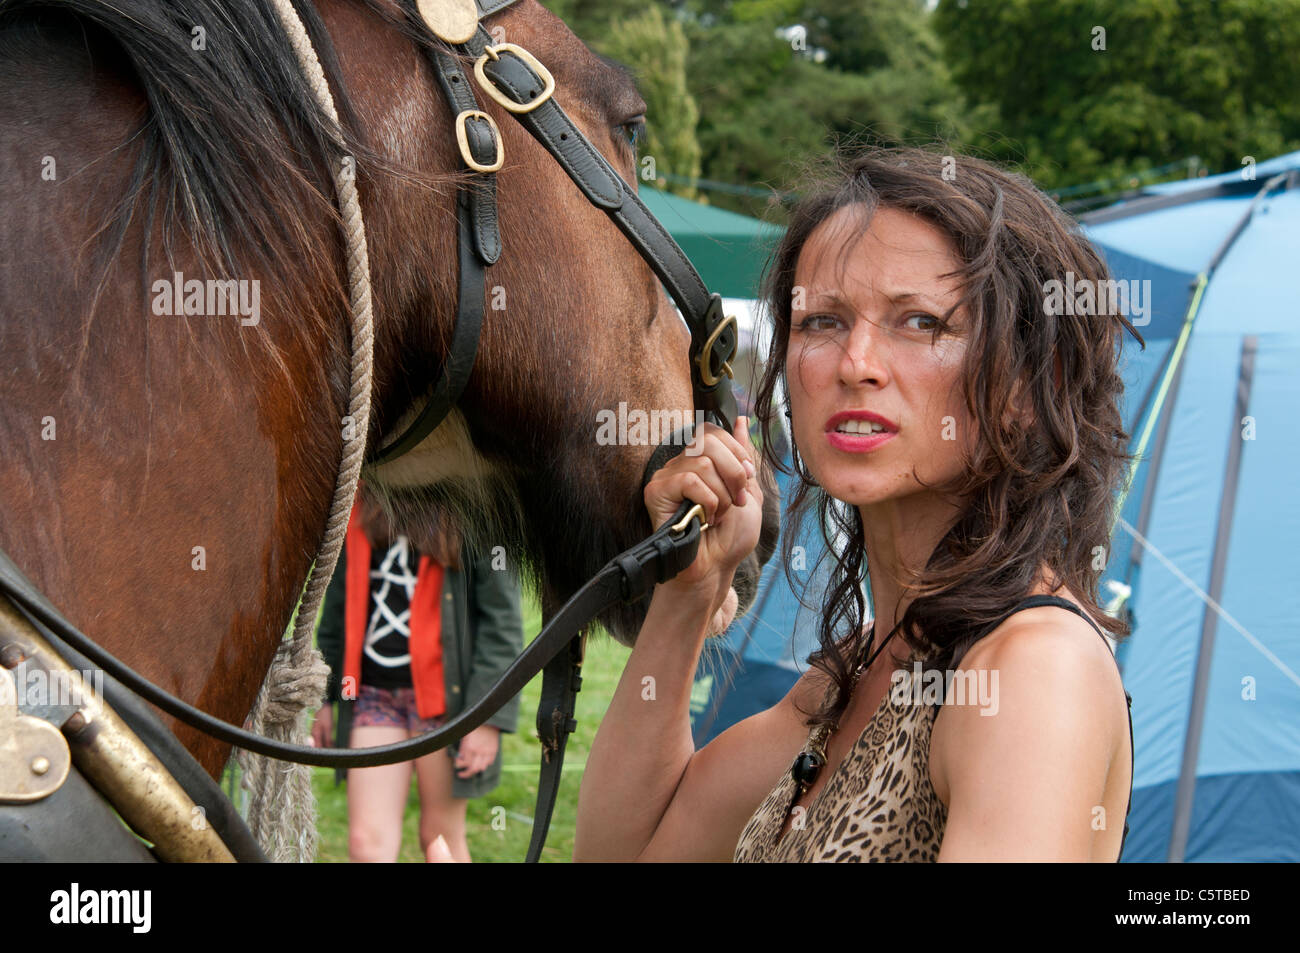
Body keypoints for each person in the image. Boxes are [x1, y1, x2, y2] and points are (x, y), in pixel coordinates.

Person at [575, 146, 1138, 862]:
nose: (855, 363)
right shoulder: (855, 673)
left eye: (922, 322)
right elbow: (627, 854)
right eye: (823, 321)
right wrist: (691, 591)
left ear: (1027, 386)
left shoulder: (1031, 669)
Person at [313, 490, 523, 862]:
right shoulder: (360, 501)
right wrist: (326, 697)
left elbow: (502, 626)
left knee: (438, 840)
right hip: (373, 696)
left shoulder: (475, 509)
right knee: (366, 844)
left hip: (445, 705)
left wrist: (486, 719)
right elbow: (336, 610)